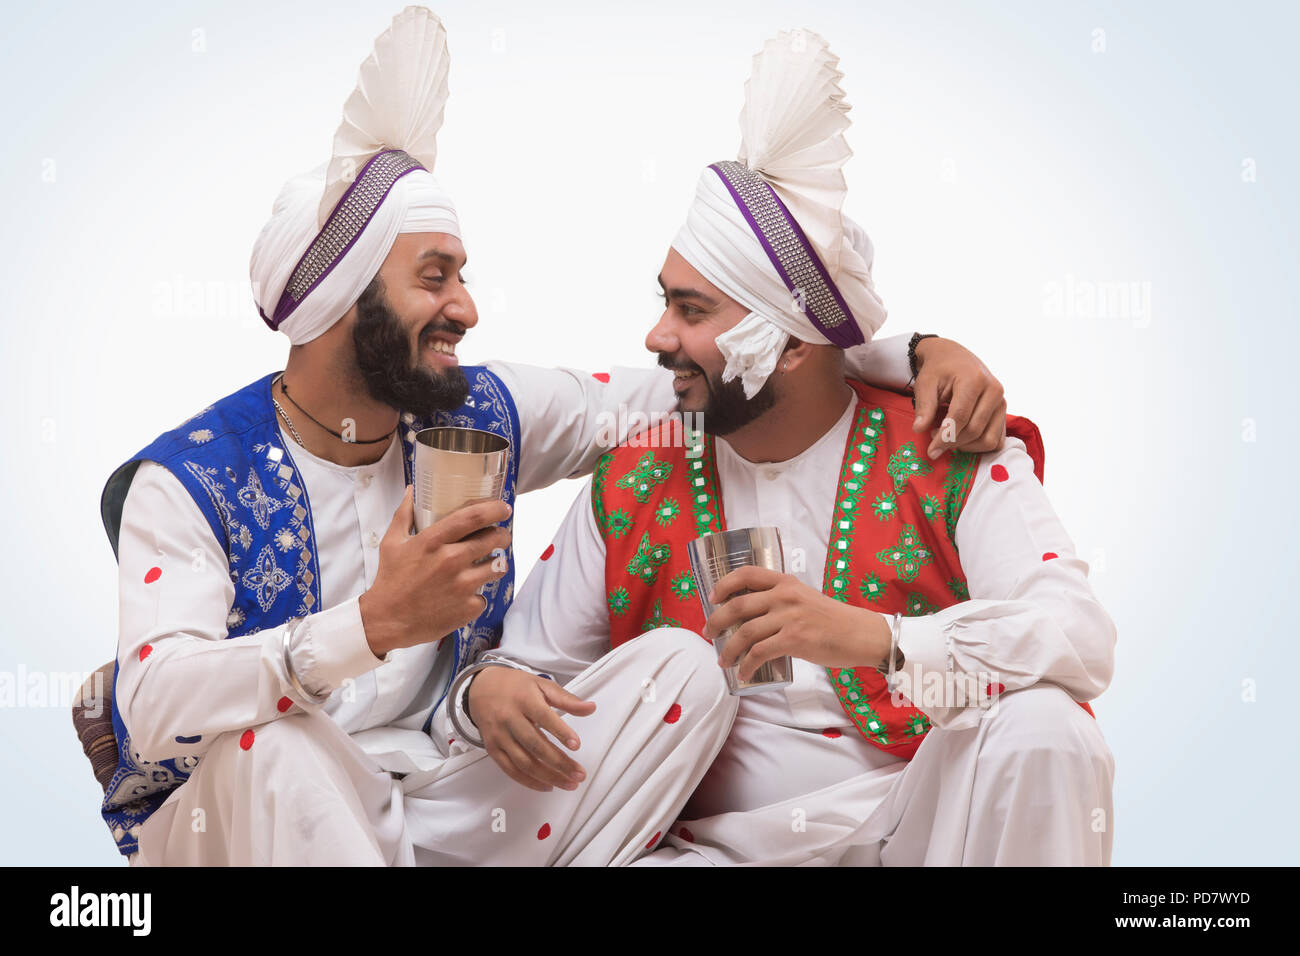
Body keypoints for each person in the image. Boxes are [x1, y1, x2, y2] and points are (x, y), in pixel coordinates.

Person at [98, 9, 1005, 865]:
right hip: (242, 815)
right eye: (436, 277)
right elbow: (148, 705)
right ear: (346, 297)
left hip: (438, 797)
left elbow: (718, 373)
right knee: (279, 747)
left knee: (683, 672)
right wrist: (372, 627)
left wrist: (910, 350)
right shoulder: (185, 481)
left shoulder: (475, 412)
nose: (466, 307)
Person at [413, 28, 1116, 866]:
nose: (658, 334)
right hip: (707, 850)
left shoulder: (944, 449)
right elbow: (532, 668)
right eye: (665, 302)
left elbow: (1078, 636)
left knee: (1047, 727)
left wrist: (873, 639)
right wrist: (490, 689)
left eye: (692, 311)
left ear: (789, 346)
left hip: (917, 821)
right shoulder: (639, 474)